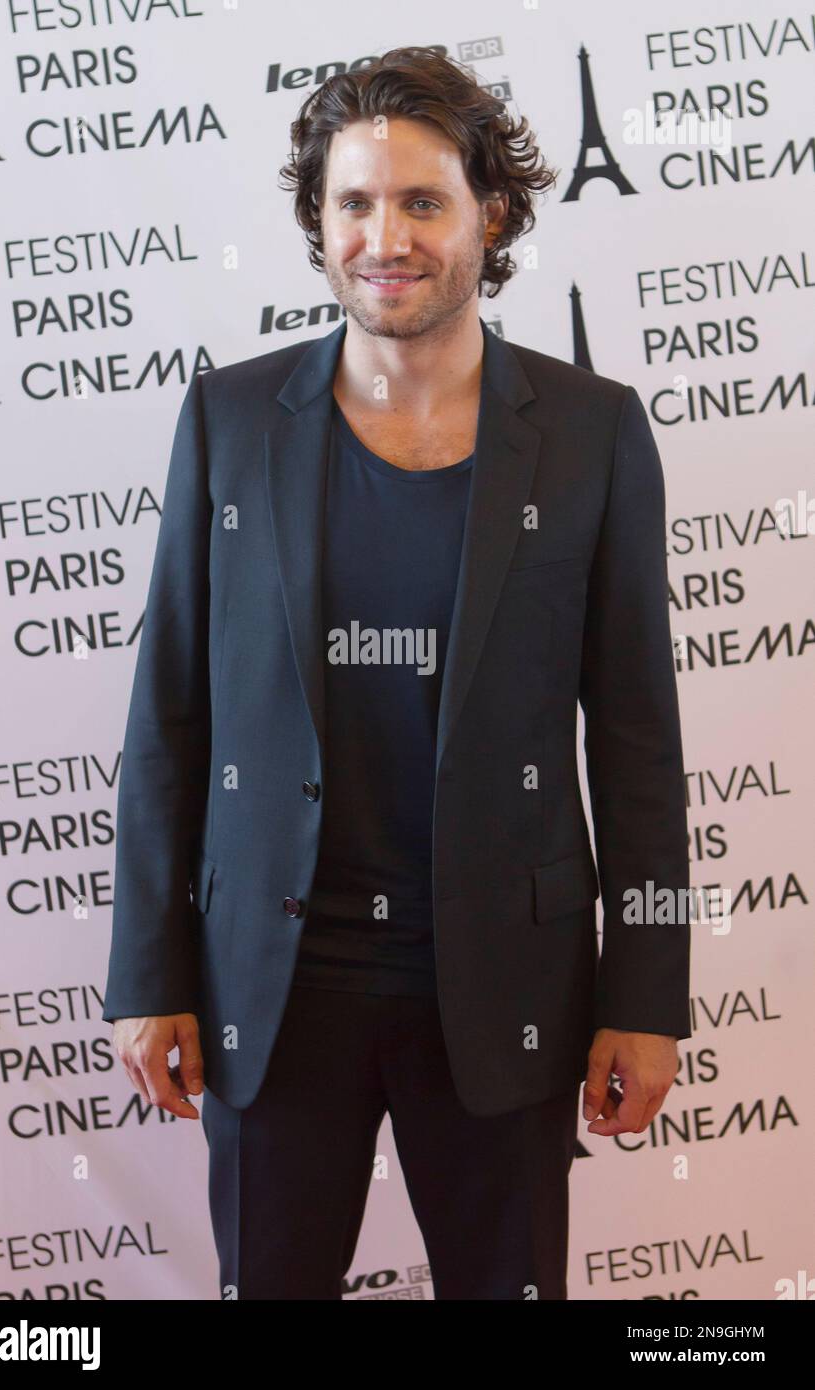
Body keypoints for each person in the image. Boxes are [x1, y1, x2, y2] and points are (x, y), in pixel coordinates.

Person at [103, 46, 691, 1300]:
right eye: (352, 203)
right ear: (317, 222)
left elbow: (637, 741)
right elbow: (169, 717)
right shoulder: (228, 422)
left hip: (501, 987)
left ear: (488, 209)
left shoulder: (590, 434)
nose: (386, 237)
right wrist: (146, 975)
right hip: (275, 985)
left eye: (420, 201)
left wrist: (648, 991)